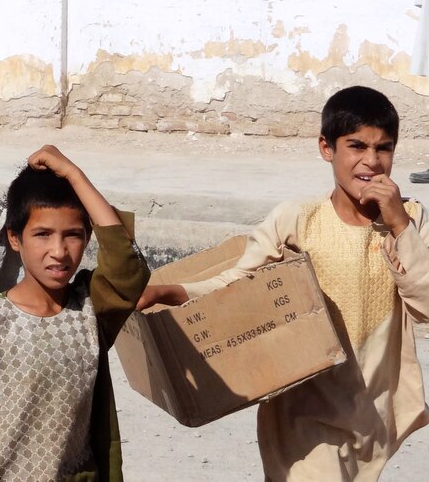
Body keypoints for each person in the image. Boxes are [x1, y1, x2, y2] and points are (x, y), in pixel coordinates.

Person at [138, 85, 429, 481]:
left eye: (384, 148)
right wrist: (172, 291)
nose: (371, 162)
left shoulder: (410, 221)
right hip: (301, 418)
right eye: (356, 146)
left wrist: (398, 226)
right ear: (327, 148)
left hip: (371, 414)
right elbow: (240, 284)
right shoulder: (297, 220)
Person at [0, 145, 150, 481]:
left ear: (87, 239)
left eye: (72, 235)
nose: (58, 252)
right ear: (15, 238)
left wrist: (73, 173)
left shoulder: (90, 311)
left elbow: (127, 267)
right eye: (42, 235)